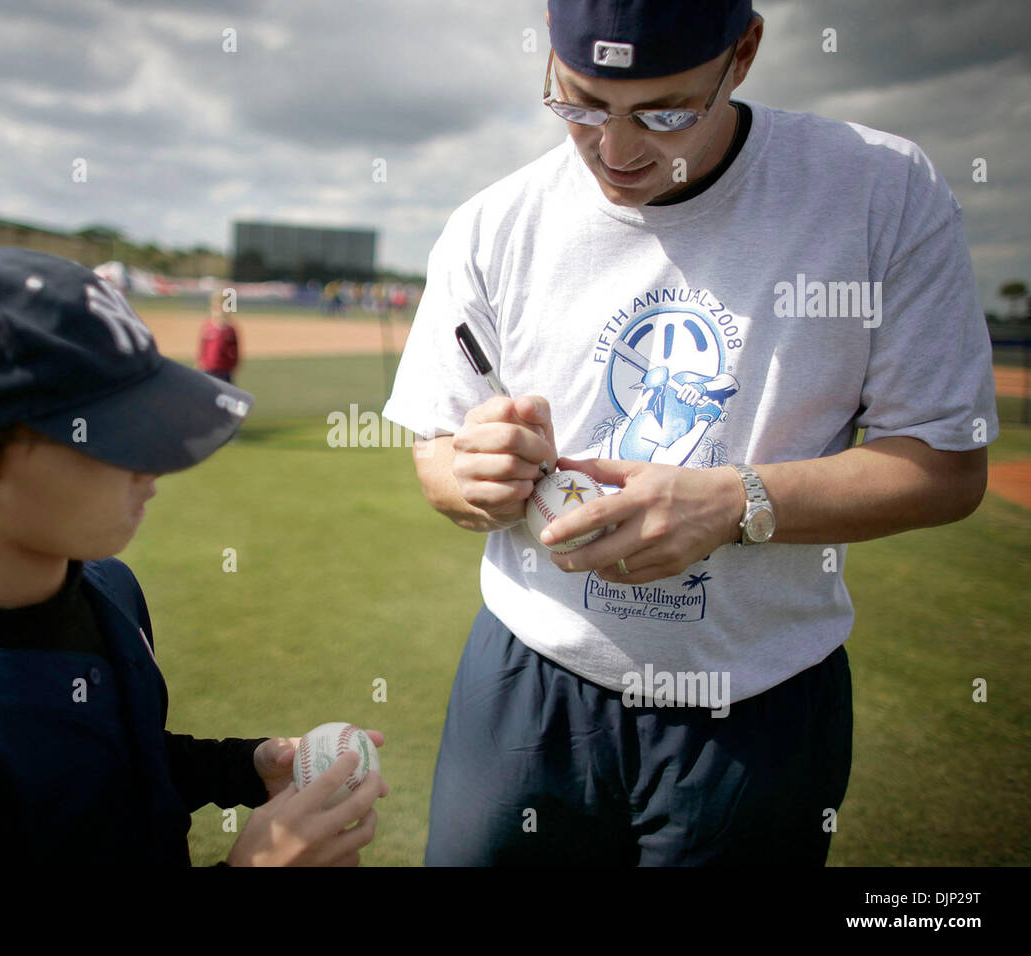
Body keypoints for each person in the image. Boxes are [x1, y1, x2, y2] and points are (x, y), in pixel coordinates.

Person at [382, 0, 997, 866]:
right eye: (581, 104)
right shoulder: (492, 224)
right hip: (529, 679)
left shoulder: (880, 190)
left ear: (742, 54)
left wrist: (741, 501)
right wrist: (469, 478)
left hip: (761, 698)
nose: (618, 151)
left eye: (666, 112)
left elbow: (946, 466)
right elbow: (437, 454)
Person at [0, 248, 386, 865]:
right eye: (105, 432)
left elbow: (113, 764)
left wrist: (241, 767)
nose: (152, 463)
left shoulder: (108, 589)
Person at [196, 289, 241, 383]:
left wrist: (234, 365)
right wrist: (200, 361)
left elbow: (235, 350)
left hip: (224, 370)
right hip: (209, 369)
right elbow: (202, 346)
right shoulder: (208, 326)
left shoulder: (230, 329)